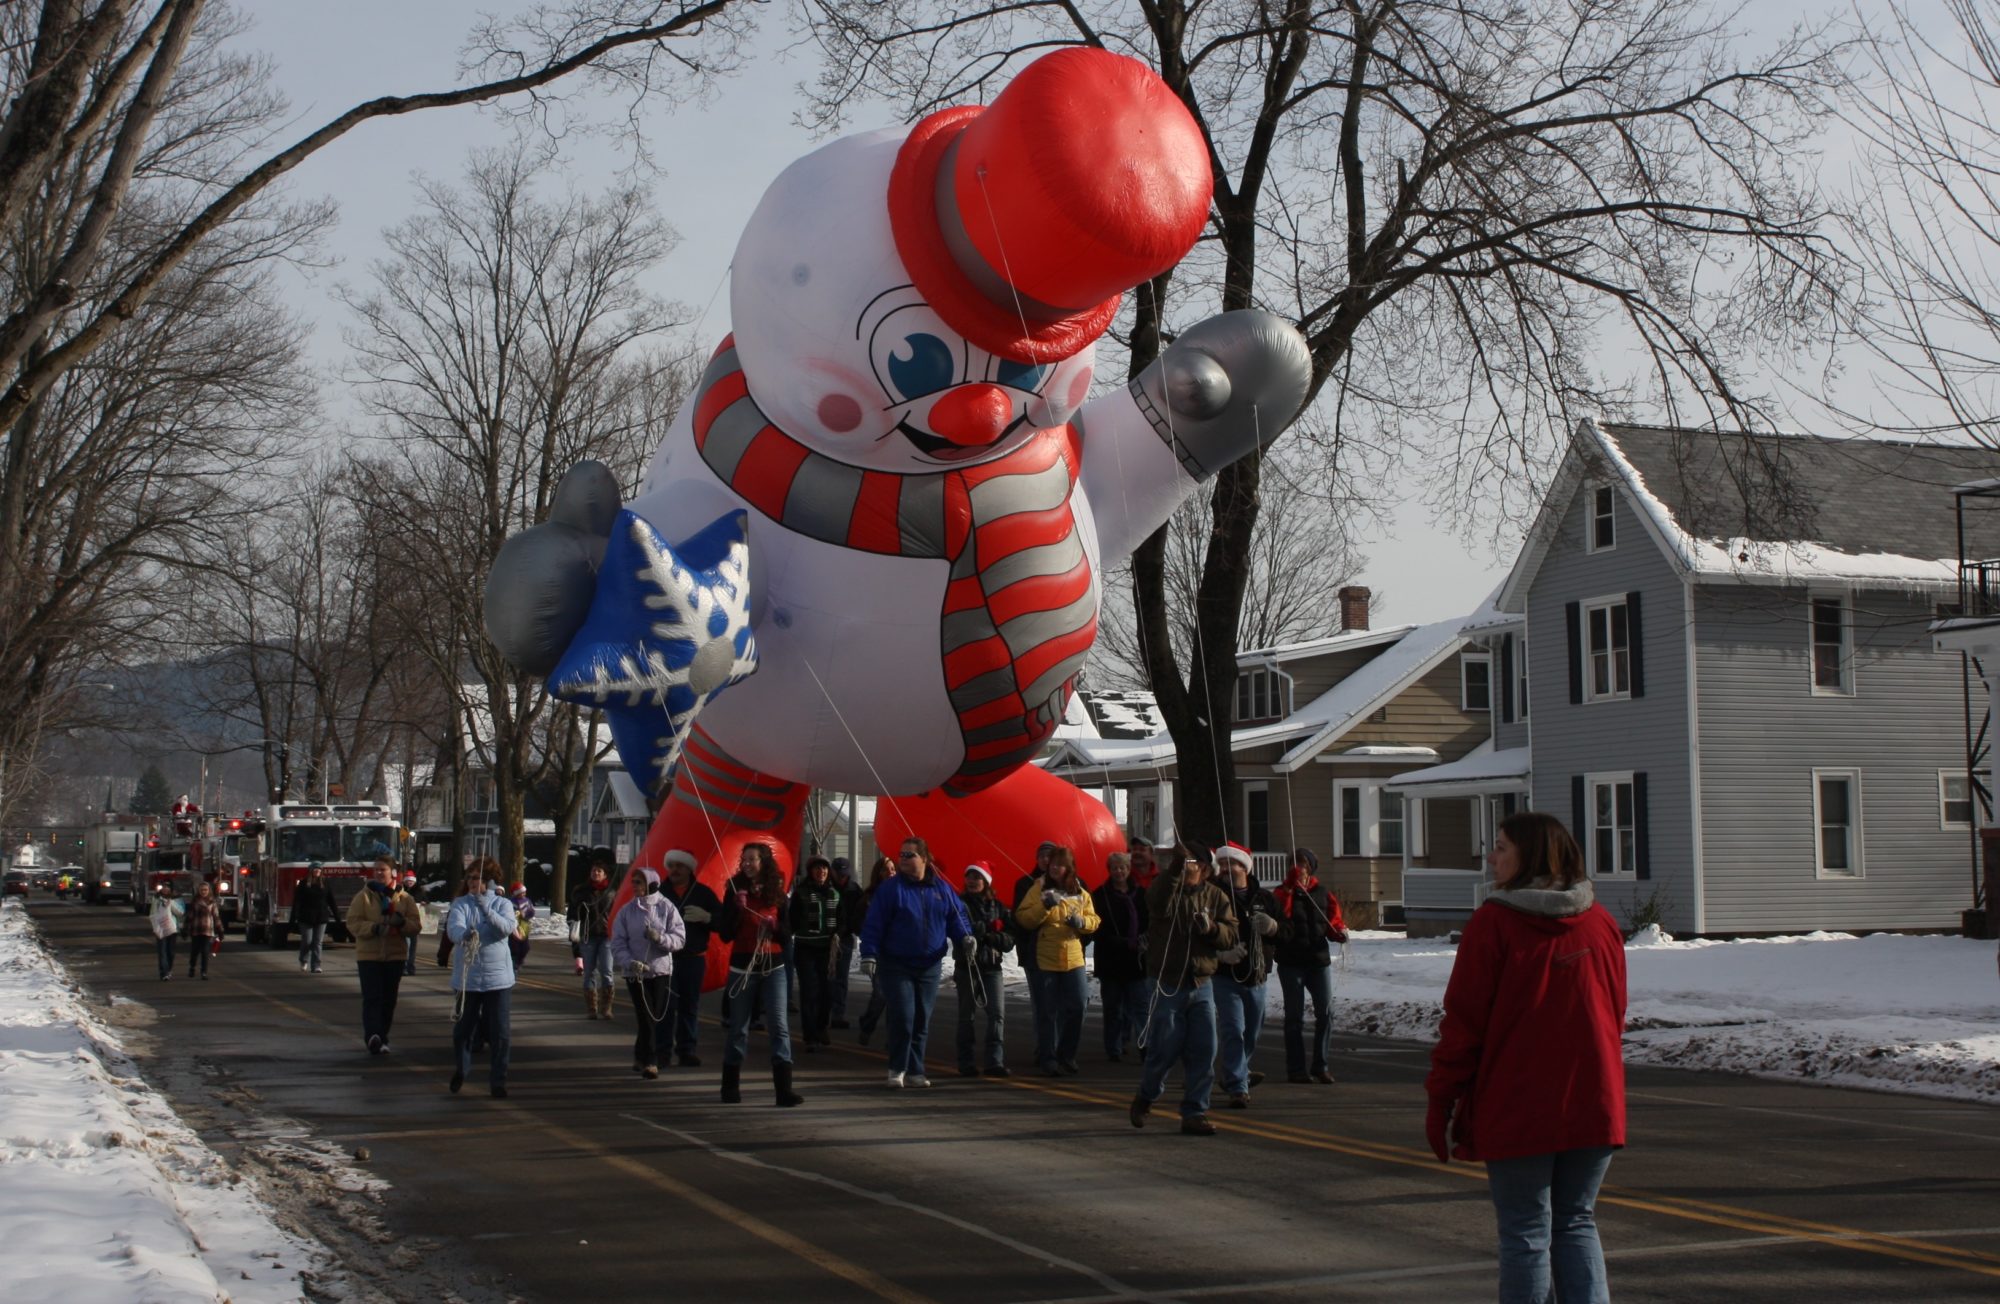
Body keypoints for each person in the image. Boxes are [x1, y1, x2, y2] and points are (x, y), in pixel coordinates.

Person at [1426, 812, 1627, 1304]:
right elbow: (1615, 1012)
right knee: (1577, 1221)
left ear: (1531, 855)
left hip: (1519, 1104)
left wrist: (1442, 1097)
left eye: (1500, 847)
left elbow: (1464, 1022)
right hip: (1593, 1100)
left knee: (1525, 1232)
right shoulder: (1600, 922)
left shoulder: (1495, 923)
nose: (1491, 857)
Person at [1130, 844, 1237, 1137]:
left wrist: (1212, 929)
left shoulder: (1216, 896)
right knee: (1164, 1048)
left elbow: (1231, 934)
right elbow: (1156, 901)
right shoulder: (1167, 891)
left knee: (1204, 1049)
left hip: (1201, 983)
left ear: (1206, 869)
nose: (1194, 868)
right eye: (1189, 863)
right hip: (1167, 983)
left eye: (1198, 864)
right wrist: (1175, 868)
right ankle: (1147, 1096)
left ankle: (1195, 1111)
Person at [859, 836, 972, 1090]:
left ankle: (915, 1070)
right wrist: (869, 953)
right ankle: (897, 1067)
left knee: (922, 1017)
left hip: (930, 965)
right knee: (903, 1015)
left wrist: (966, 937)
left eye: (909, 855)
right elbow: (874, 924)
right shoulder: (890, 889)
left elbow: (957, 917)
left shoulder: (942, 889)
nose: (902, 859)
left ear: (924, 859)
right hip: (896, 964)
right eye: (901, 855)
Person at [720, 842, 803, 1107]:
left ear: (764, 862)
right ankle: (730, 1085)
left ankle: (783, 1090)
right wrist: (736, 909)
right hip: (743, 966)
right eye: (744, 859)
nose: (746, 864)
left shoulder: (777, 894)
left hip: (773, 966)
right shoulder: (734, 891)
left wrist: (776, 926)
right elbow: (725, 933)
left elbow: (788, 936)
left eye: (752, 859)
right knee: (739, 1028)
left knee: (779, 1025)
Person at [1014, 845, 1098, 1076]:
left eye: (1060, 865)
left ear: (1068, 867)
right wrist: (1044, 905)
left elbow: (1094, 919)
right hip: (1045, 957)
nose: (1055, 868)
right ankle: (1048, 1057)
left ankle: (1067, 1053)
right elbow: (1024, 918)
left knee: (1079, 1005)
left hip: (1073, 957)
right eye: (1052, 864)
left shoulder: (1079, 891)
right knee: (1047, 1010)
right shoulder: (1039, 887)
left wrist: (1082, 923)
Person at [1212, 841, 1277, 1108]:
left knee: (1251, 1031)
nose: (1226, 868)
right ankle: (1239, 1086)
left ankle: (1235, 1072)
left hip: (1257, 976)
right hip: (1225, 976)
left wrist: (1273, 928)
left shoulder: (1264, 898)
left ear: (1245, 868)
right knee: (1233, 1030)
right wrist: (1220, 954)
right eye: (1223, 864)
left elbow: (1287, 932)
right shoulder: (1214, 895)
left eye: (1232, 864)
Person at [1272, 847, 1344, 1085]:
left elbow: (1332, 921)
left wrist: (1339, 933)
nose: (1298, 868)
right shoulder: (1281, 893)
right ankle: (1296, 1069)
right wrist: (1291, 890)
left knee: (1326, 1012)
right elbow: (1280, 915)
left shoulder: (1322, 893)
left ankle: (1320, 1065)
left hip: (1317, 961)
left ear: (1310, 867)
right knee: (1294, 1016)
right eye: (1294, 863)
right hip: (1291, 962)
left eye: (1302, 864)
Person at [446, 869, 519, 1098]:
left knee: (500, 1032)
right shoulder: (460, 903)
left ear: (488, 883)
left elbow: (505, 929)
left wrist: (486, 908)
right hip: (468, 979)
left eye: (477, 879)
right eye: (469, 878)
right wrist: (465, 934)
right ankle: (462, 1068)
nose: (472, 883)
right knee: (463, 1030)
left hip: (498, 980)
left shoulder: (503, 903)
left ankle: (498, 1080)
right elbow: (453, 929)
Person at [611, 865, 686, 1078]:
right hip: (636, 972)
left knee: (654, 1015)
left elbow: (680, 939)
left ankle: (639, 1054)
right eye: (633, 882)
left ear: (651, 884)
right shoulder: (626, 911)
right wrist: (629, 962)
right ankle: (651, 1061)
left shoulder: (667, 907)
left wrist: (660, 938)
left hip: (660, 970)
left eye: (639, 882)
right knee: (645, 1015)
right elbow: (617, 942)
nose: (634, 886)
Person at [346, 858, 422, 1055]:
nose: (379, 873)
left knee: (389, 999)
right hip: (369, 956)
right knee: (372, 997)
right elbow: (353, 923)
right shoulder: (363, 897)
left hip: (394, 956)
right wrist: (374, 928)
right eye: (376, 870)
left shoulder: (405, 899)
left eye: (383, 870)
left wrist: (401, 923)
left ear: (393, 873)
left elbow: (416, 925)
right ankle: (373, 1035)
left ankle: (382, 1036)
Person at [661, 849, 727, 1066]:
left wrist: (707, 917)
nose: (674, 870)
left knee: (690, 1006)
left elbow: (722, 921)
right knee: (665, 1007)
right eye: (671, 866)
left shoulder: (703, 894)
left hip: (693, 958)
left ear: (689, 869)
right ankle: (662, 1051)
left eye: (679, 866)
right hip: (665, 958)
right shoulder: (659, 893)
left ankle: (687, 1049)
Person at [954, 861, 1013, 1077]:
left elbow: (1008, 941)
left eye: (977, 877)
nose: (972, 881)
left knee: (997, 1015)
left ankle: (994, 1061)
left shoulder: (999, 907)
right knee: (966, 1016)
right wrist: (987, 930)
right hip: (967, 967)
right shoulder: (959, 905)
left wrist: (989, 935)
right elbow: (961, 930)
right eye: (969, 877)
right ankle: (966, 1061)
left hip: (992, 967)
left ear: (986, 882)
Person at [1091, 852, 1148, 1062]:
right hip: (1111, 959)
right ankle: (1113, 1048)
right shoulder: (1100, 895)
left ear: (1128, 868)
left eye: (1122, 867)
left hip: (1137, 960)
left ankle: (1145, 1045)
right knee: (1113, 1008)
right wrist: (1117, 941)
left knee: (1141, 1007)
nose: (1119, 872)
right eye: (1115, 868)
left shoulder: (1141, 894)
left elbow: (1149, 920)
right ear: (1109, 870)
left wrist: (1144, 938)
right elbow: (1097, 927)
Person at [1009, 841, 1057, 1068]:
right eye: (1043, 856)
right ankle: (1045, 1050)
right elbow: (1020, 920)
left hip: (1064, 953)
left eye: (1051, 856)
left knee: (1072, 1003)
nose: (1047, 861)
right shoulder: (1025, 884)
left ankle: (1060, 1046)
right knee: (1042, 1005)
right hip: (1035, 954)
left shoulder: (1072, 883)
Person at [789, 856, 842, 1050]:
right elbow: (792, 920)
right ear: (811, 871)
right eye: (817, 868)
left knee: (827, 991)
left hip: (827, 950)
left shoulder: (834, 894)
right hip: (805, 948)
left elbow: (841, 919)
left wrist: (838, 933)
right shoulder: (801, 894)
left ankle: (821, 1027)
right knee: (809, 992)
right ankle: (810, 1035)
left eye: (825, 869)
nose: (821, 872)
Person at [569, 853, 618, 1020]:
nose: (596, 873)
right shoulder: (581, 891)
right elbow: (573, 914)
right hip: (587, 936)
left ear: (605, 874)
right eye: (594, 871)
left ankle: (607, 1008)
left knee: (607, 971)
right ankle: (592, 1008)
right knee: (589, 971)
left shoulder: (612, 893)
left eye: (599, 871)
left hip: (606, 936)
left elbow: (617, 914)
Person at [852, 856, 894, 1044]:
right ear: (878, 873)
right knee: (881, 994)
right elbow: (860, 924)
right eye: (886, 870)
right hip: (877, 953)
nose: (890, 873)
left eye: (893, 869)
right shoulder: (869, 898)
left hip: (897, 953)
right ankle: (867, 1023)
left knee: (896, 998)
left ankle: (893, 1039)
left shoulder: (901, 893)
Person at [828, 857, 864, 1028]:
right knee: (826, 977)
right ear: (833, 872)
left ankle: (838, 1014)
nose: (842, 877)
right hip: (826, 938)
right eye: (839, 874)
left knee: (841, 977)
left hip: (845, 938)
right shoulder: (826, 887)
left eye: (844, 874)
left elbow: (860, 913)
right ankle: (823, 1011)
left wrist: (855, 928)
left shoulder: (854, 889)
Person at [292, 863, 334, 974]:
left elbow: (331, 900)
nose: (317, 871)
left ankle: (316, 965)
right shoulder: (303, 884)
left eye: (319, 869)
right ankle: (303, 960)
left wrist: (337, 916)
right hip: (306, 917)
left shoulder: (325, 883)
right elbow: (297, 901)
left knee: (317, 942)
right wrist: (294, 917)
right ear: (310, 871)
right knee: (307, 940)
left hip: (321, 917)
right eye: (315, 869)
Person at [185, 882, 222, 980]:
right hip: (196, 930)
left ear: (209, 891)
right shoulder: (195, 902)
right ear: (199, 891)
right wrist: (185, 928)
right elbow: (189, 916)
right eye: (202, 890)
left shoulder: (212, 902)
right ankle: (192, 967)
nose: (204, 892)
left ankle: (204, 972)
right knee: (195, 951)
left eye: (205, 890)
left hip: (207, 930)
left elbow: (216, 917)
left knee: (205, 952)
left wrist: (220, 929)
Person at [149, 882, 184, 981]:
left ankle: (169, 970)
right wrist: (155, 927)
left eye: (167, 887)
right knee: (162, 951)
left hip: (172, 929)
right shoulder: (156, 899)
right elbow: (152, 913)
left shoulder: (176, 899)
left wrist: (170, 903)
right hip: (161, 929)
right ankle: (163, 973)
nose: (165, 889)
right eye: (163, 887)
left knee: (171, 952)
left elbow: (181, 912)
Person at [506, 883, 535, 972]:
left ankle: (519, 960)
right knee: (514, 947)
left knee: (526, 947)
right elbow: (507, 913)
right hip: (513, 928)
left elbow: (532, 912)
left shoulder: (527, 901)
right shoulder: (510, 902)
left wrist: (525, 915)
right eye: (521, 892)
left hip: (524, 927)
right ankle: (513, 964)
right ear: (516, 893)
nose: (523, 894)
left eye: (524, 892)